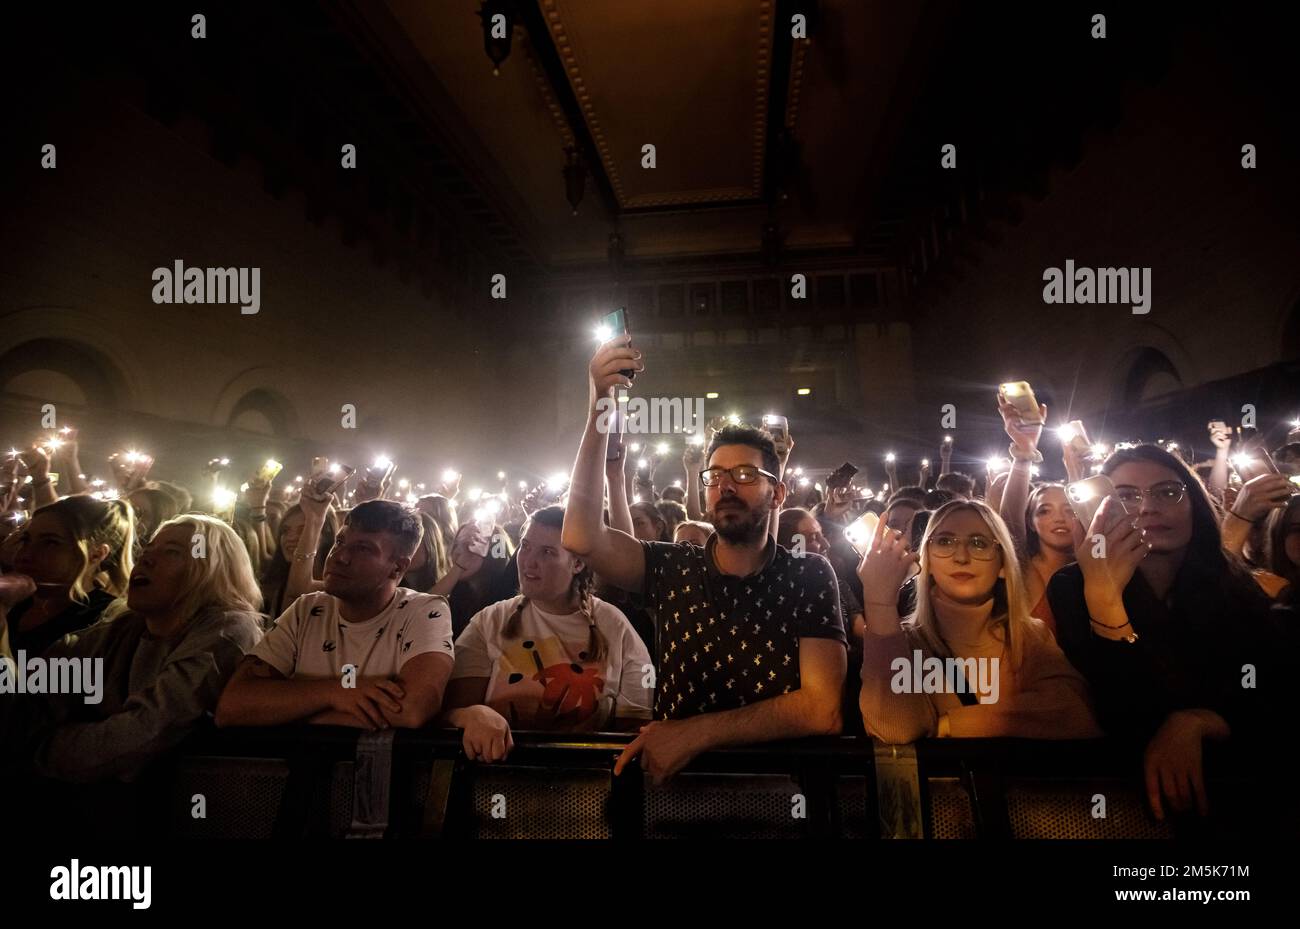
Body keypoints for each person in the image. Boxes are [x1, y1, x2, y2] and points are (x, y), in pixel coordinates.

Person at [563, 335, 846, 784]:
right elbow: (581, 536)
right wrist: (599, 408)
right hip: (676, 797)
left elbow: (821, 709)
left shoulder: (808, 575)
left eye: (746, 474)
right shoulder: (674, 568)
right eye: (715, 476)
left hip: (781, 799)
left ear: (779, 494)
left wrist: (695, 734)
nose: (727, 485)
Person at [1047, 444, 1283, 821]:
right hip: (1123, 806)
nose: (1147, 507)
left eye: (1167, 492)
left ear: (1195, 503)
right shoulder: (1073, 585)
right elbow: (1123, 713)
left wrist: (1198, 721)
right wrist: (1104, 596)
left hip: (1243, 796)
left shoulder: (1234, 583)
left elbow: (1271, 696)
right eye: (1125, 496)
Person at [1, 514, 263, 783]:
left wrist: (35, 751)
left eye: (172, 552)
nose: (145, 559)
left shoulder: (226, 629)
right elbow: (30, 702)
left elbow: (148, 730)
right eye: (148, 548)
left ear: (212, 570)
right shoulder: (124, 626)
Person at [857, 499, 1101, 742]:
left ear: (1003, 564)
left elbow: (1074, 712)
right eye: (944, 541)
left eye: (978, 543)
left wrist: (951, 724)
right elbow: (895, 730)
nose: (961, 556)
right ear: (927, 562)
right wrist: (880, 603)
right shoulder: (903, 643)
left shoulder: (1028, 636)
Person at [215, 500, 454, 729]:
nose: (339, 556)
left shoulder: (424, 611)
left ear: (398, 567)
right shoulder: (307, 609)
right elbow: (233, 705)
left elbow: (411, 711)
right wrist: (335, 692)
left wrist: (288, 712)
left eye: (363, 549)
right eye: (340, 542)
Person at [440, 506, 652, 761]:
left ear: (577, 563)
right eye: (526, 546)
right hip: (497, 777)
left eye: (548, 552)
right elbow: (452, 710)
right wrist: (471, 714)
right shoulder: (490, 620)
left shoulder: (615, 627)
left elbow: (632, 730)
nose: (529, 561)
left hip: (586, 787)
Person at [5, 495, 134, 657]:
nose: (26, 554)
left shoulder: (103, 623)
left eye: (50, 543)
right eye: (26, 540)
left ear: (96, 554)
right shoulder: (17, 600)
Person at [259, 501, 338, 619]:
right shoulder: (274, 585)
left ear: (326, 537)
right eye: (285, 531)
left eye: (302, 530)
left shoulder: (338, 588)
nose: (290, 538)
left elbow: (299, 589)